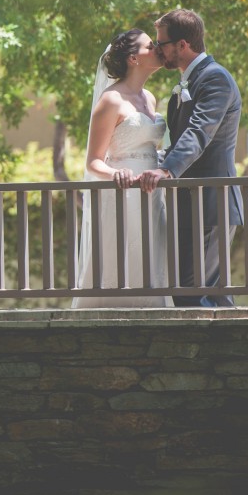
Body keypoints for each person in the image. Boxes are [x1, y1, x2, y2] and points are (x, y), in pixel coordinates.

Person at [138, 9, 242, 307]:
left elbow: (199, 132)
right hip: (191, 203)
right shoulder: (190, 81)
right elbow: (181, 138)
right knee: (209, 297)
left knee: (192, 296)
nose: (158, 50)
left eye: (161, 44)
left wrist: (166, 171)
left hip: (210, 202)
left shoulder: (215, 78)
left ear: (182, 45)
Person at [72, 29, 172, 308]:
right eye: (150, 46)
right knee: (121, 254)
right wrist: (116, 174)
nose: (158, 48)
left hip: (152, 192)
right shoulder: (111, 99)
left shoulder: (150, 97)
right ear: (133, 58)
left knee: (150, 253)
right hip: (123, 192)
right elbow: (93, 161)